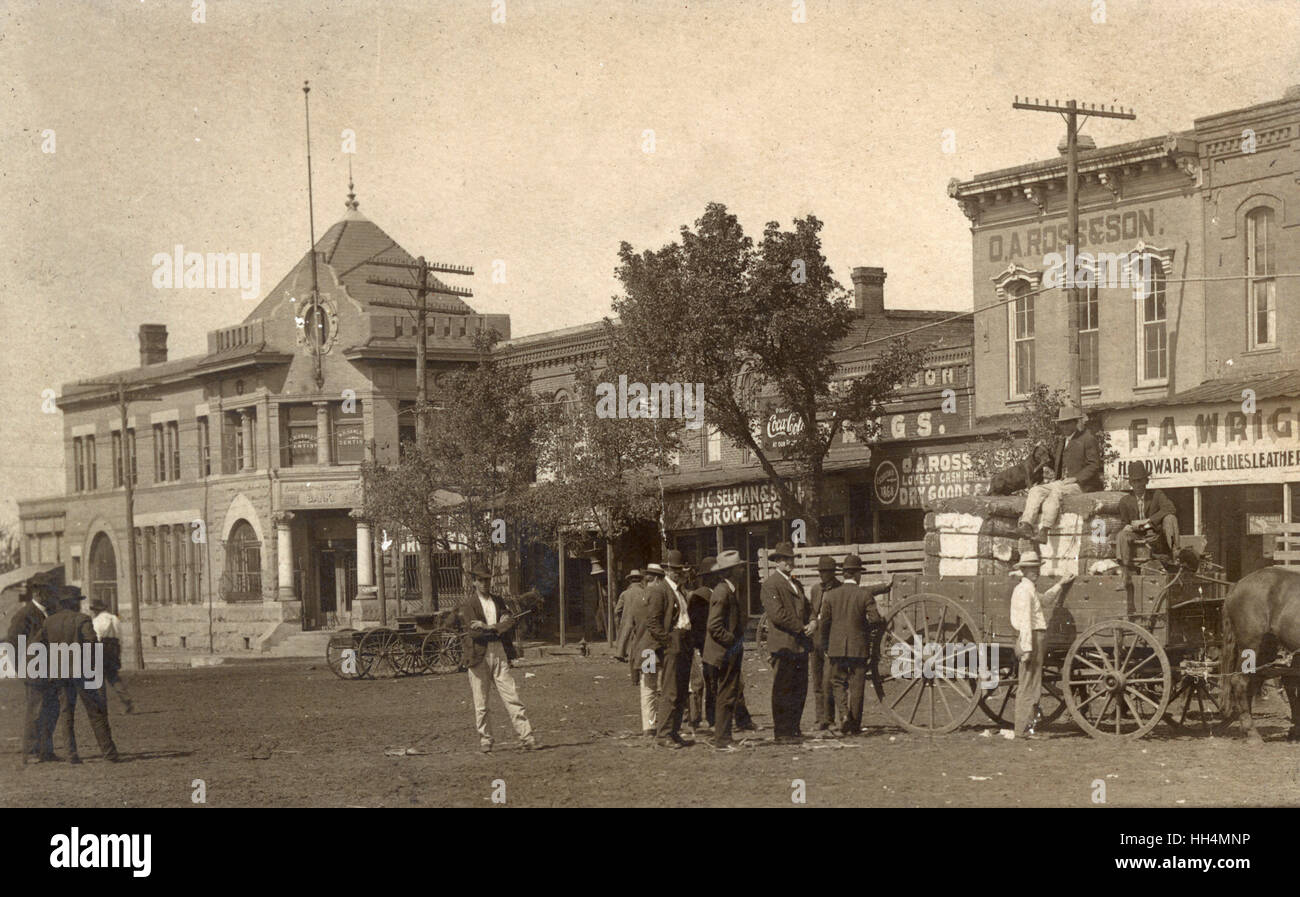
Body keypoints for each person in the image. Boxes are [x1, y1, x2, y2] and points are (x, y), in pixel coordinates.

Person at [454, 563, 536, 753]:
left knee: (512, 696)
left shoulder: (498, 601)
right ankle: (486, 740)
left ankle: (527, 737)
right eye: (481, 580)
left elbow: (510, 622)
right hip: (478, 655)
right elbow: (473, 634)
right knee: (481, 702)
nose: (485, 583)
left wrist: (488, 627)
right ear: (474, 582)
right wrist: (496, 628)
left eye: (488, 579)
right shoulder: (469, 605)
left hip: (499, 653)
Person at [43, 587, 120, 764]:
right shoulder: (82, 619)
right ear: (73, 602)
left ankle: (71, 754)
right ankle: (109, 753)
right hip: (83, 672)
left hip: (60, 673)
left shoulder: (50, 621)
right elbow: (92, 642)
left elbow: (42, 645)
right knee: (96, 712)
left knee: (66, 714)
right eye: (78, 600)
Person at [819, 555, 893, 736]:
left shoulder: (831, 595)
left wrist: (826, 646)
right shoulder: (864, 595)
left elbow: (824, 624)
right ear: (858, 574)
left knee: (837, 682)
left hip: (836, 648)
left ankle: (843, 715)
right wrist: (865, 629)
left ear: (843, 574)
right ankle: (855, 725)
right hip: (858, 648)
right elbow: (875, 620)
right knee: (857, 685)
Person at [1008, 551, 1075, 739]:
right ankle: (1022, 730)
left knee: (1033, 682)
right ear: (1023, 570)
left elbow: (1045, 600)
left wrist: (1061, 584)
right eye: (1031, 568)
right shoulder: (1023, 591)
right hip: (1032, 638)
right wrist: (1027, 649)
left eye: (1037, 568)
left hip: (1037, 637)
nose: (1035, 571)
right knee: (1028, 683)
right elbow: (1025, 622)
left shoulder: (1029, 589)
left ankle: (1029, 728)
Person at [1018, 406, 1102, 545]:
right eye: (1062, 423)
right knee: (1036, 490)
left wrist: (1076, 478)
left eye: (1067, 422)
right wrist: (1043, 455)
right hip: (1062, 482)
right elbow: (1057, 465)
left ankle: (1044, 530)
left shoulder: (1087, 439)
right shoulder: (1062, 442)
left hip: (1081, 485)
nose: (1064, 426)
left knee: (1056, 492)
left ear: (1075, 423)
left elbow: (1094, 465)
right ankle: (1026, 524)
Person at [760, 541, 815, 743]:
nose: (789, 562)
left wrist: (813, 621)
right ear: (777, 562)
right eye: (784, 559)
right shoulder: (770, 584)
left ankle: (794, 728)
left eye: (790, 559)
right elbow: (777, 615)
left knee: (800, 689)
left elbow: (808, 607)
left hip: (799, 645)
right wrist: (802, 627)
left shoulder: (796, 583)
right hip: (783, 645)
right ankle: (782, 732)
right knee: (783, 689)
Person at [6, 573, 60, 763]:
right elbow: (12, 642)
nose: (50, 595)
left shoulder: (52, 612)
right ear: (36, 592)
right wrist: (22, 667)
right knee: (35, 712)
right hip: (34, 671)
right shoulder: (24, 614)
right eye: (47, 591)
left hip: (53, 670)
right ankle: (30, 752)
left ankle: (46, 750)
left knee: (52, 710)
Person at [648, 550, 694, 748]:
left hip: (684, 641)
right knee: (670, 689)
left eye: (680, 570)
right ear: (667, 570)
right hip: (672, 641)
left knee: (682, 689)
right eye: (675, 570)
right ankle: (663, 734)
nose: (679, 573)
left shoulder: (680, 591)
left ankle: (674, 732)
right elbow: (653, 622)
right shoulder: (660, 590)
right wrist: (667, 641)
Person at [703, 551, 748, 751]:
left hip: (727, 651)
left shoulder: (727, 590)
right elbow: (714, 625)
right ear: (730, 571)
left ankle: (724, 735)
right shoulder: (722, 592)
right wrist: (732, 641)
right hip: (724, 652)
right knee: (726, 694)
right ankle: (722, 738)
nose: (743, 569)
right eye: (739, 567)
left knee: (728, 692)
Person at [1115, 463, 1181, 569]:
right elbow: (1124, 522)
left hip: (1156, 535)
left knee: (1170, 518)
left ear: (1146, 481)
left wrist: (1147, 521)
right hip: (1136, 534)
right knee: (1122, 535)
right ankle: (1124, 568)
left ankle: (1176, 555)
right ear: (1130, 483)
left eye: (1140, 481)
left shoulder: (1157, 495)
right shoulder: (1125, 501)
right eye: (1134, 481)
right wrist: (1125, 527)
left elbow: (1171, 508)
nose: (1138, 485)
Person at [629, 563, 665, 736]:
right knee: (657, 687)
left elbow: (633, 626)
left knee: (648, 688)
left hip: (644, 649)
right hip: (655, 648)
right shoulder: (657, 597)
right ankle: (656, 724)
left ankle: (650, 725)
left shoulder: (638, 599)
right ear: (657, 579)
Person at [807, 555, 839, 732]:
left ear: (832, 573)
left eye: (825, 572)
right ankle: (820, 717)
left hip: (830, 638)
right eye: (820, 572)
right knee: (817, 680)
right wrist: (812, 621)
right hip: (816, 639)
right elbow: (812, 611)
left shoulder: (839, 589)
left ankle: (829, 717)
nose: (822, 575)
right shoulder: (815, 590)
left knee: (829, 680)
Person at [686, 557, 718, 733]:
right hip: (706, 645)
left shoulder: (711, 592)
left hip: (711, 645)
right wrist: (700, 646)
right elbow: (696, 624)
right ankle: (705, 717)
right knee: (706, 681)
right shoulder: (700, 596)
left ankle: (710, 716)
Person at [89, 597, 133, 713]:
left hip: (101, 650)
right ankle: (126, 699)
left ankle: (101, 706)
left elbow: (96, 638)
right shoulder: (115, 619)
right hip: (114, 650)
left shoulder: (96, 621)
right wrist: (119, 654)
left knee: (99, 679)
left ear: (96, 610)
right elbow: (120, 638)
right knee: (114, 677)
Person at [613, 569, 643, 662]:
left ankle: (621, 653)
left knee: (625, 633)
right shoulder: (644, 592)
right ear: (640, 580)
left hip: (627, 618)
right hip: (640, 618)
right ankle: (634, 655)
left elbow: (617, 610)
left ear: (630, 580)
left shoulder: (625, 593)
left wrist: (620, 617)